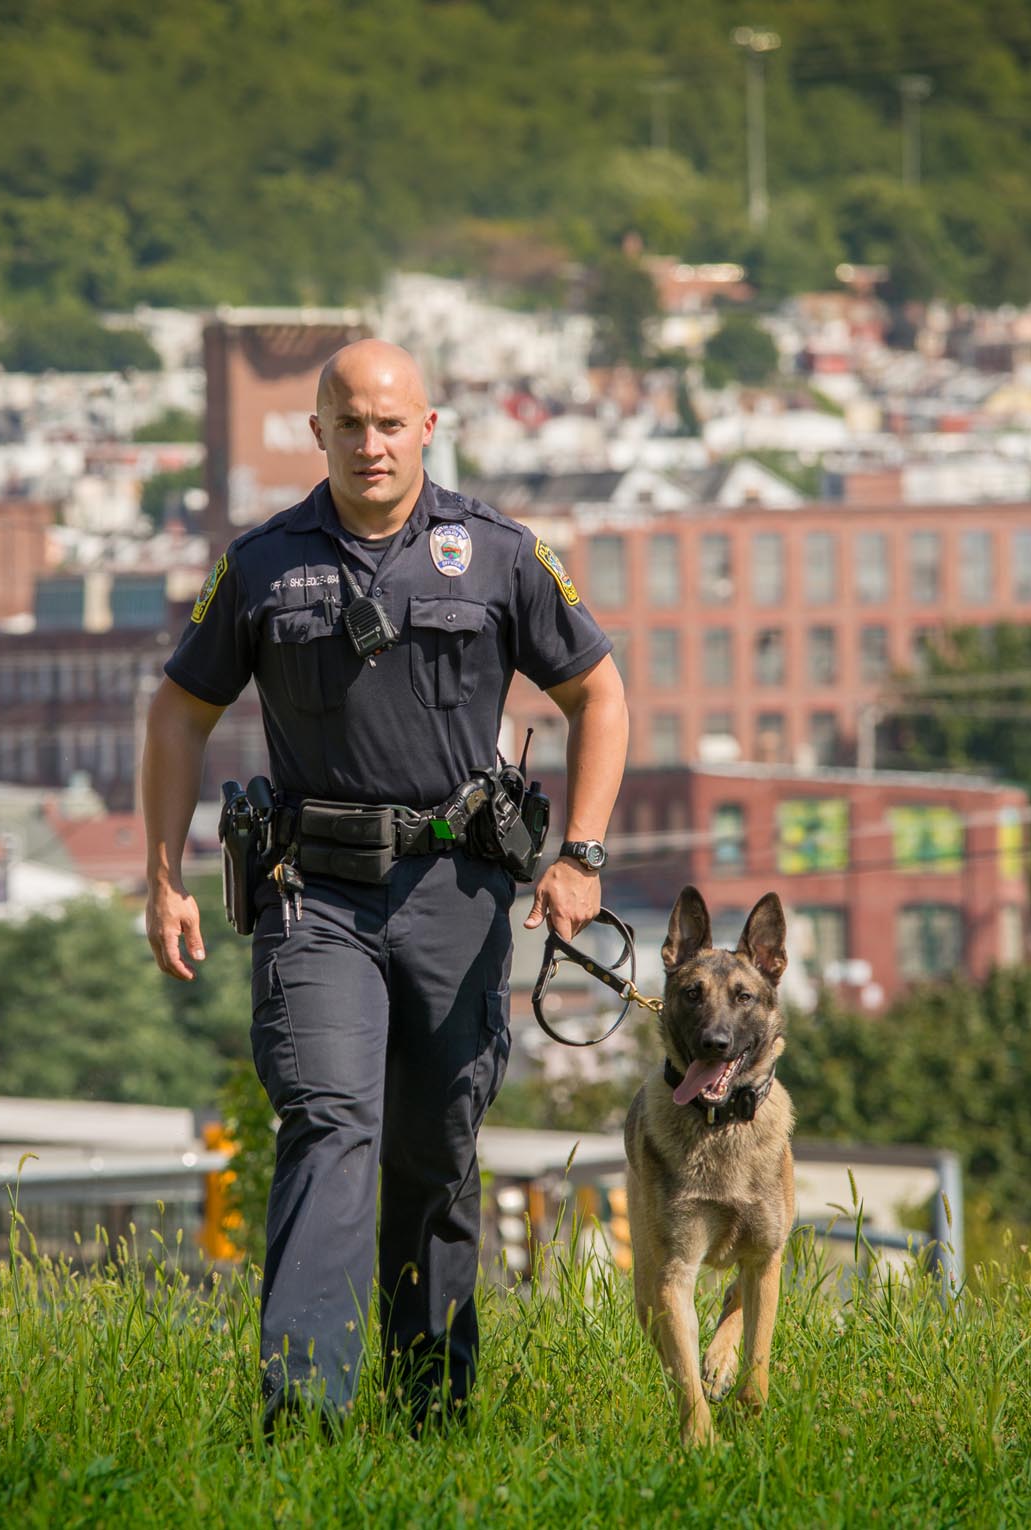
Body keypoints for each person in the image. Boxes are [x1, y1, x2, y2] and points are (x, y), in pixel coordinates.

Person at [139, 340, 628, 1435]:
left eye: (391, 423)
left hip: (457, 897)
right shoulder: (263, 564)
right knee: (328, 1123)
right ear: (317, 432)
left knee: (436, 1146)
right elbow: (179, 712)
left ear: (428, 428)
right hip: (315, 899)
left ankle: (429, 1419)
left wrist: (580, 856)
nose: (371, 443)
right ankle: (306, 1416)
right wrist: (163, 879)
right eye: (349, 423)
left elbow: (600, 695)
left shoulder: (498, 553)